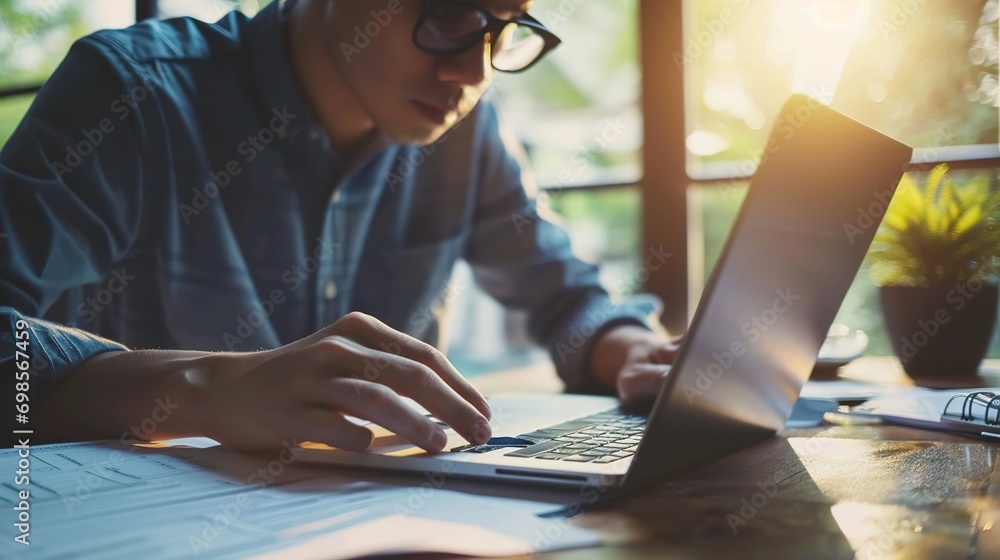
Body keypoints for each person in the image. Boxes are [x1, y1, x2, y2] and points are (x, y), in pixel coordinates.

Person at [0, 0, 677, 452]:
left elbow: (563, 298)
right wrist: (205, 390)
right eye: (447, 13)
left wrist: (628, 348)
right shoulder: (134, 97)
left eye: (505, 26)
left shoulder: (465, 132)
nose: (473, 72)